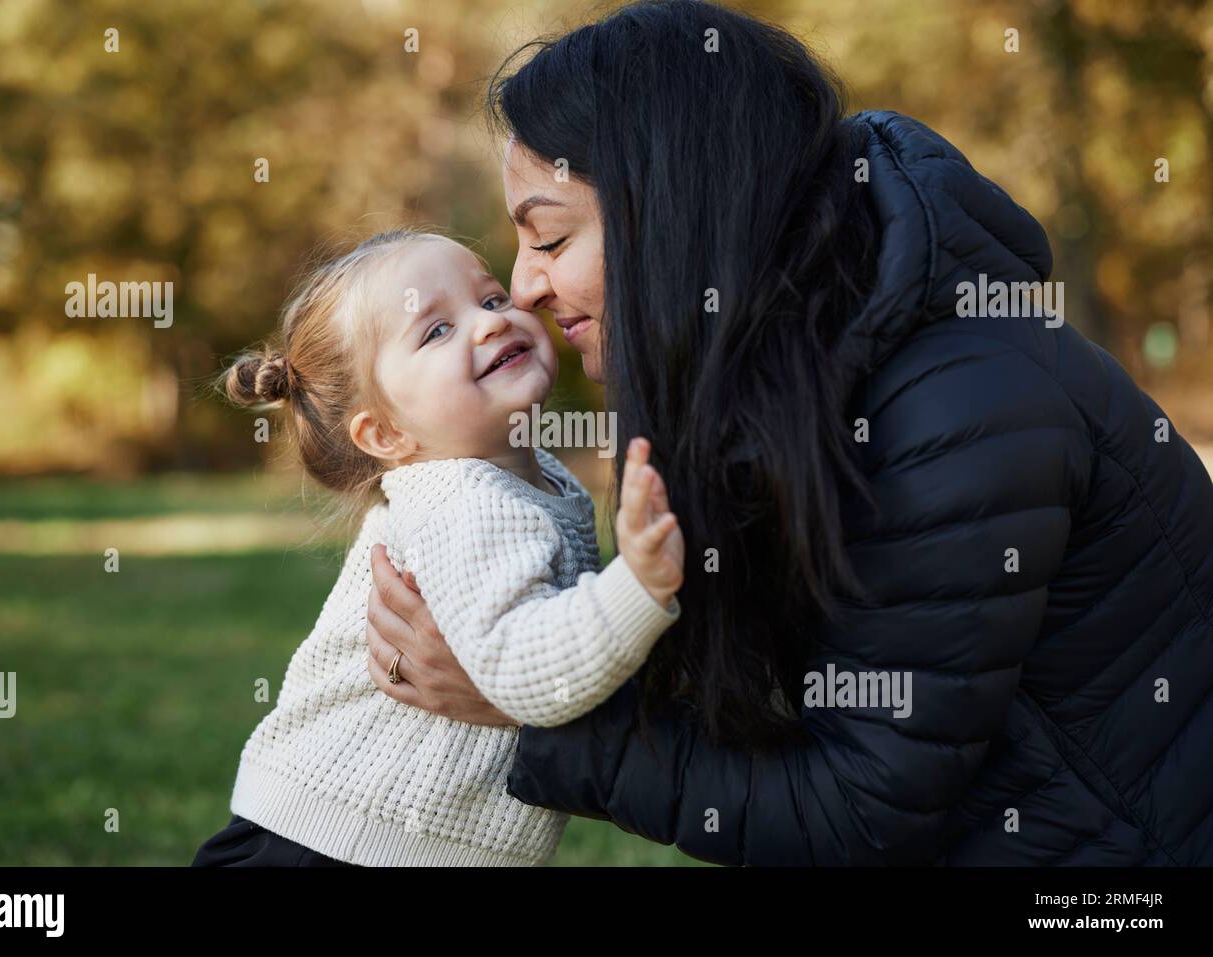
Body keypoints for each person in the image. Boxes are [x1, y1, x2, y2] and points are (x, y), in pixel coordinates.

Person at [363, 0, 1213, 865]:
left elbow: (860, 813)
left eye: (548, 235)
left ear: (677, 213)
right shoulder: (793, 374)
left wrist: (526, 705)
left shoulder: (949, 409)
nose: (525, 284)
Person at [193, 227, 683, 866]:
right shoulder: (464, 500)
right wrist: (639, 586)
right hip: (335, 846)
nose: (489, 324)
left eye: (490, 298)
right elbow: (525, 672)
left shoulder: (532, 477)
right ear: (386, 432)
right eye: (435, 331)